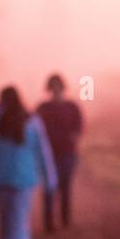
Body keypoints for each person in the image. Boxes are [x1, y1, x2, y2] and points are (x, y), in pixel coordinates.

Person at [0, 86, 57, 239]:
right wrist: (50, 179)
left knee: (6, 218)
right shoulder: (32, 121)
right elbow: (43, 151)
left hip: (1, 177)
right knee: (19, 218)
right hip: (23, 178)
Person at [35, 73, 83, 230]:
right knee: (49, 186)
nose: (56, 89)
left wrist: (74, 138)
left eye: (58, 85)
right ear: (49, 88)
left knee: (65, 186)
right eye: (53, 85)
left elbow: (79, 127)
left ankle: (65, 219)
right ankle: (49, 221)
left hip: (67, 153)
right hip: (48, 154)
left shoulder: (72, 107)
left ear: (62, 87)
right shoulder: (43, 108)